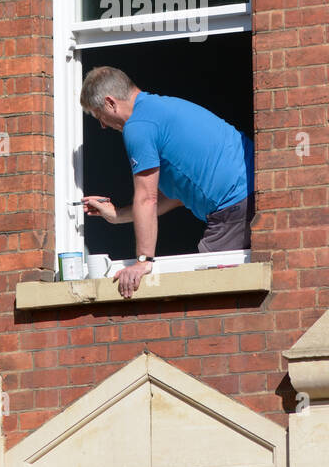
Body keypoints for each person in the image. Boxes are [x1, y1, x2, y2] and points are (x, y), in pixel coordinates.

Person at [79, 66, 254, 298]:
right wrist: (117, 215)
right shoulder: (157, 109)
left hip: (235, 203)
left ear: (111, 102)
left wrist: (143, 261)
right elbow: (175, 196)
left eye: (98, 115)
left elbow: (146, 198)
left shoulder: (138, 126)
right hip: (251, 189)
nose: (102, 125)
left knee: (211, 291)